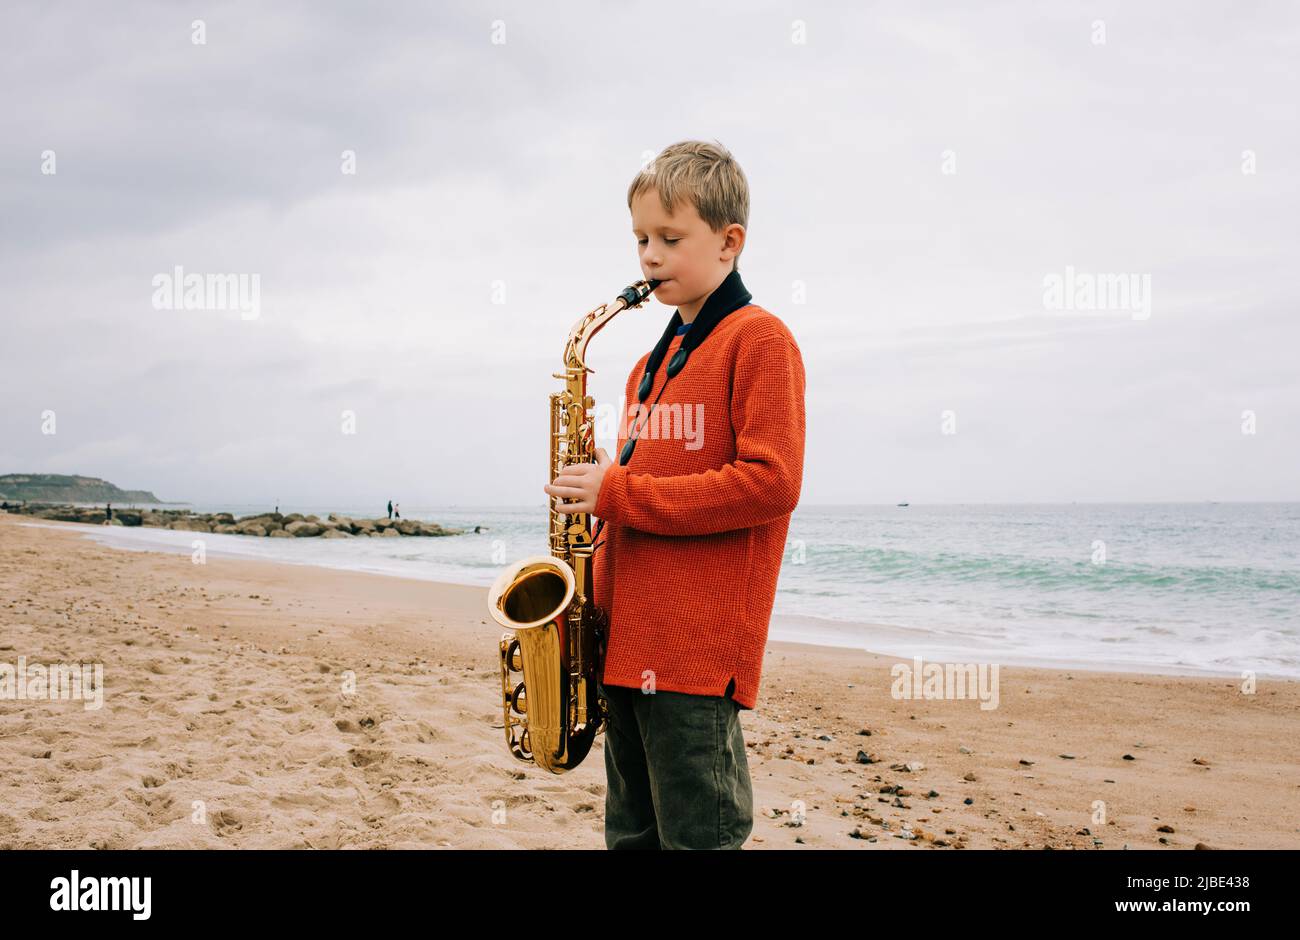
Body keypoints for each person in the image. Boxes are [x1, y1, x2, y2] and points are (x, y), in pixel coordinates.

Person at [544, 140, 805, 850]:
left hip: (693, 652)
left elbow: (771, 482)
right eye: (640, 240)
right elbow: (646, 485)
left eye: (669, 238)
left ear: (729, 243)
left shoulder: (759, 340)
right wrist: (597, 482)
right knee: (631, 835)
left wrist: (619, 490)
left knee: (699, 836)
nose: (649, 257)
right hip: (624, 641)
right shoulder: (645, 365)